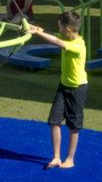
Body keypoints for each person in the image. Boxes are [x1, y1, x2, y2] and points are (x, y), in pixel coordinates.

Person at [29, 11, 88, 169]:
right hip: (63, 86)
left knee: (74, 125)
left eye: (60, 27)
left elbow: (56, 41)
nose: (59, 29)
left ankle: (70, 158)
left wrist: (37, 33)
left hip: (77, 88)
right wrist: (33, 28)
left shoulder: (78, 45)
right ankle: (56, 157)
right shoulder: (66, 36)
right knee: (54, 121)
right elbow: (49, 33)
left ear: (68, 28)